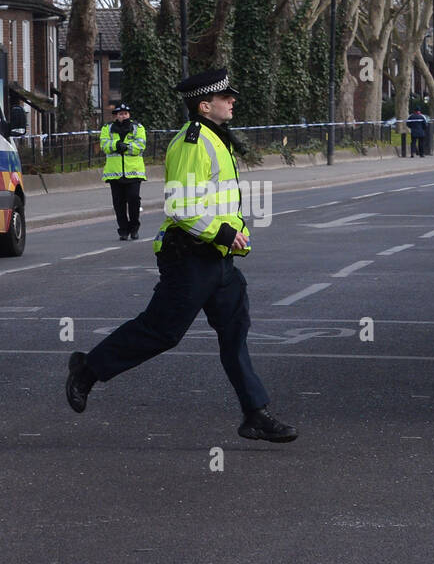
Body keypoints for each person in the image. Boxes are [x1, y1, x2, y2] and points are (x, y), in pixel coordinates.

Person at [65, 68, 297, 443]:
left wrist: (239, 236)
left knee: (234, 335)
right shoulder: (193, 143)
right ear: (205, 106)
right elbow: (182, 208)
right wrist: (225, 233)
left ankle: (256, 414)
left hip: (218, 258)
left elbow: (222, 202)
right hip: (190, 258)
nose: (232, 101)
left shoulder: (216, 139)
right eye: (226, 98)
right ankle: (87, 369)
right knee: (162, 332)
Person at [100, 102, 147, 240]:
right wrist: (115, 144)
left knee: (134, 200)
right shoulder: (107, 128)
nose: (123, 116)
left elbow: (141, 145)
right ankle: (123, 230)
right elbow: (104, 144)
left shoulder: (138, 127)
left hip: (134, 172)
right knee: (118, 204)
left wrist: (125, 147)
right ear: (116, 116)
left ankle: (134, 228)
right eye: (120, 114)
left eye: (126, 113)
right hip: (114, 173)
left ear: (129, 115)